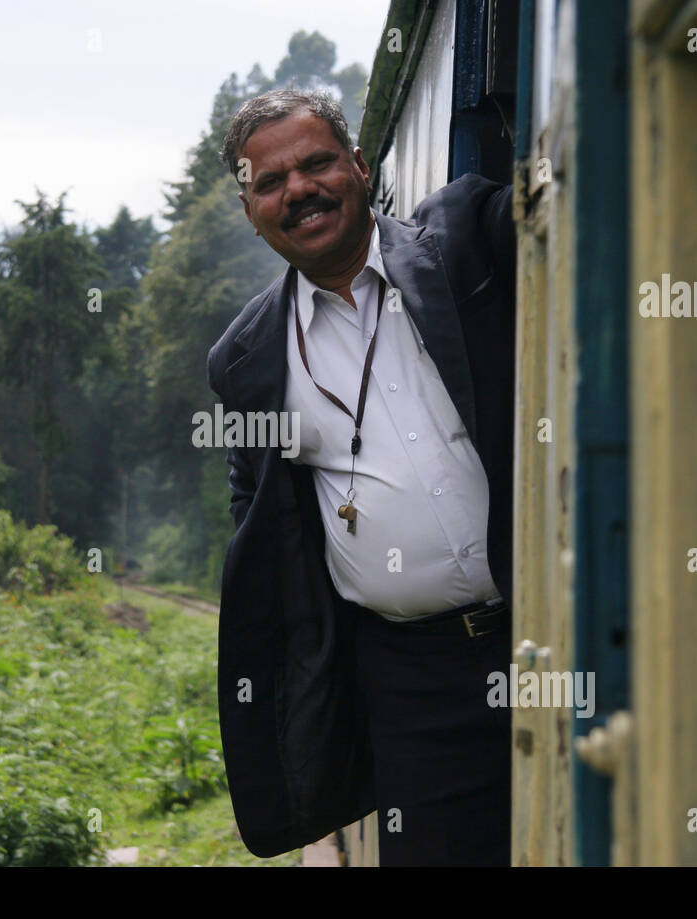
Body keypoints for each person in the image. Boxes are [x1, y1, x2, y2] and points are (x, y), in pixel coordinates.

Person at [205, 89, 516, 866]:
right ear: (250, 211)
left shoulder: (463, 247)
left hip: (547, 639)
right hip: (412, 681)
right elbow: (261, 519)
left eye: (316, 163)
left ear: (360, 168)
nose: (299, 190)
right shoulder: (245, 362)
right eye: (269, 182)